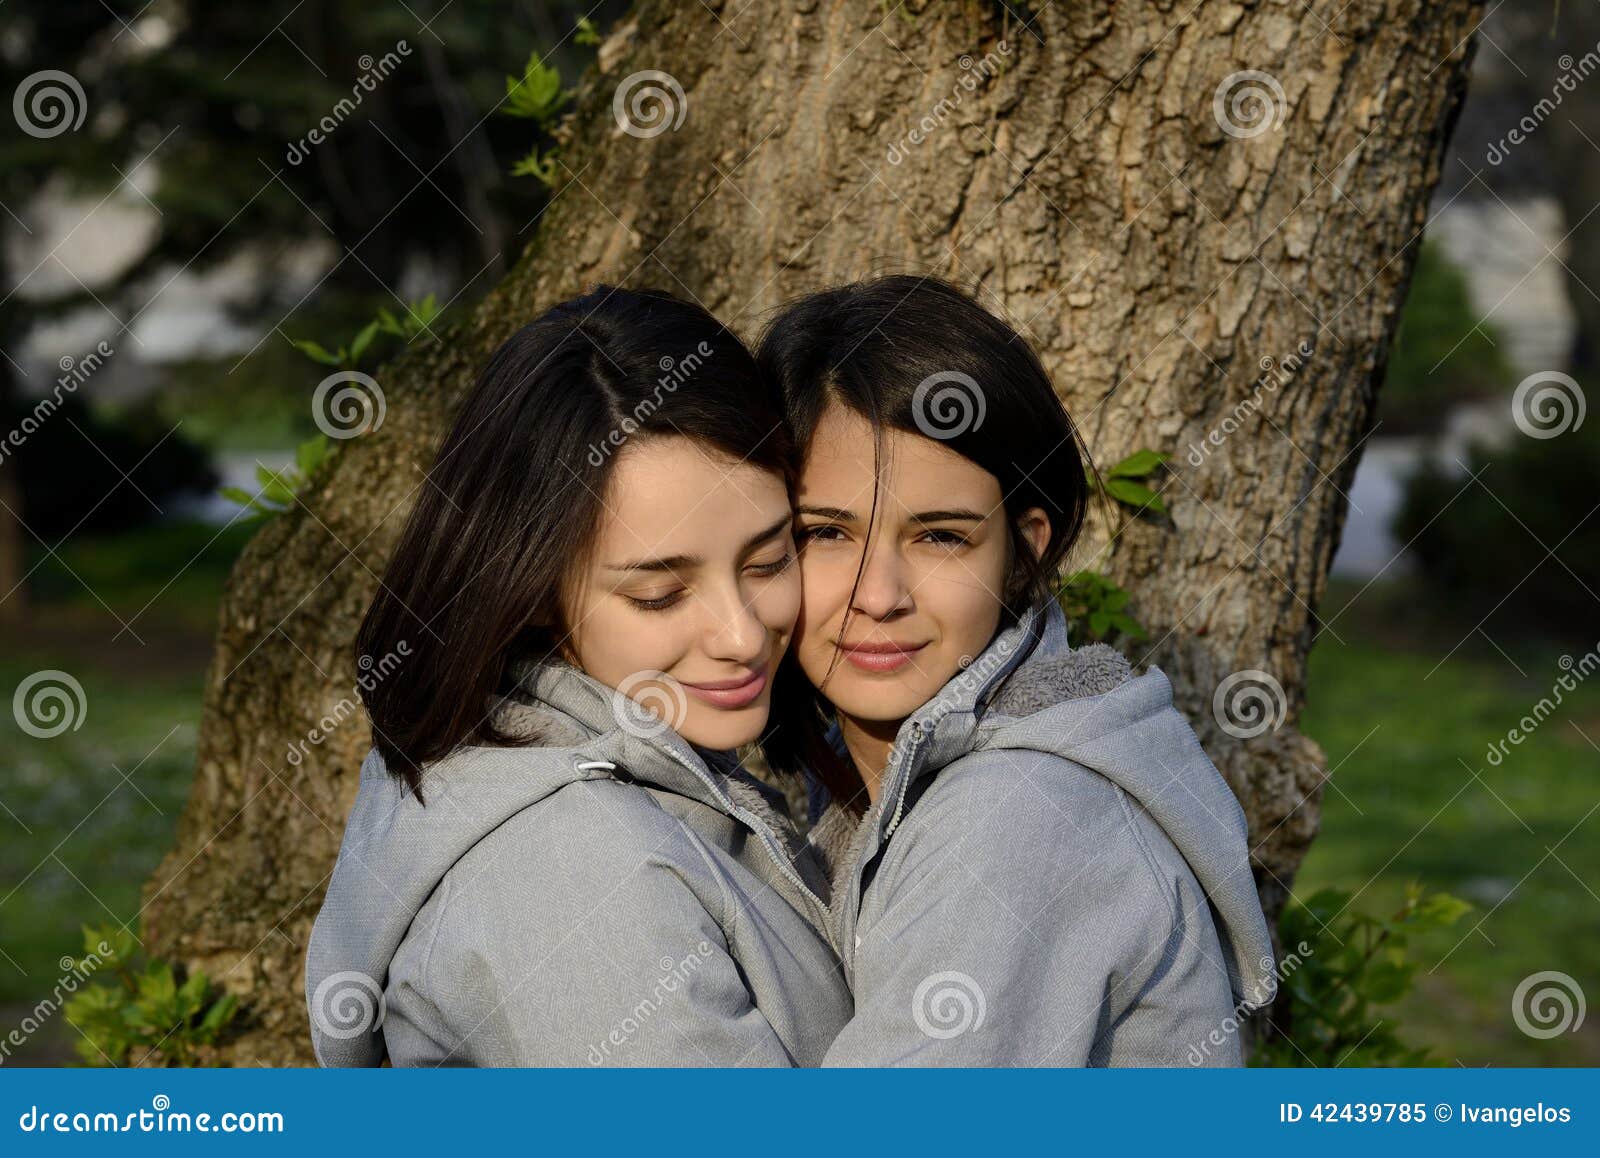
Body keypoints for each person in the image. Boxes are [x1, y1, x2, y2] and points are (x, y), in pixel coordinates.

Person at [304, 286, 849, 1066]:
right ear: (531, 595)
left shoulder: (609, 766)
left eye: (768, 560)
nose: (741, 634)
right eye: (659, 594)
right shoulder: (572, 877)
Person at [758, 275, 1278, 1065]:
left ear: (1023, 551)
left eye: (940, 537)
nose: (878, 596)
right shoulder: (877, 788)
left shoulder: (1016, 816)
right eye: (827, 533)